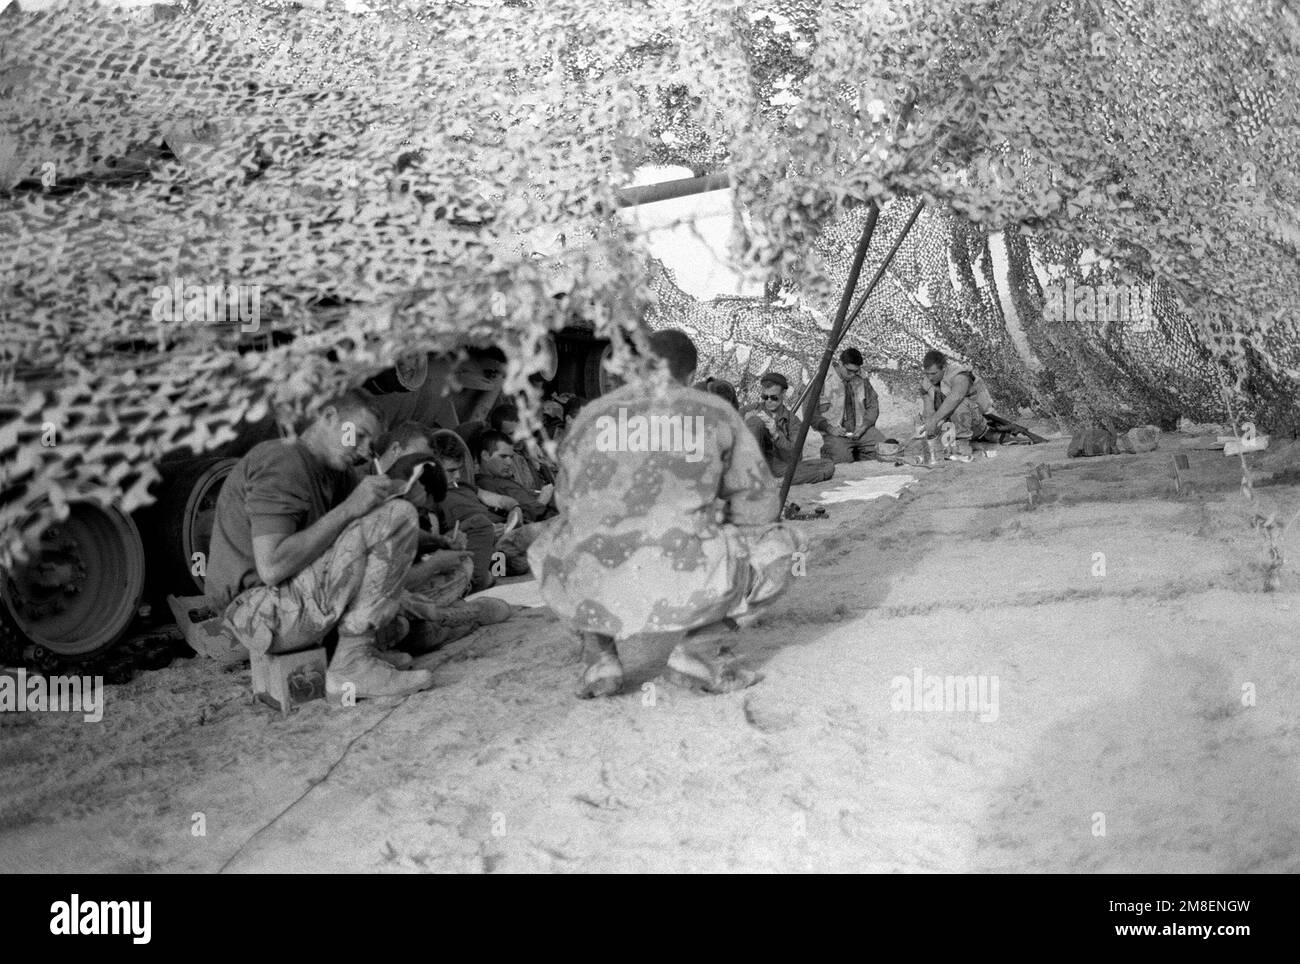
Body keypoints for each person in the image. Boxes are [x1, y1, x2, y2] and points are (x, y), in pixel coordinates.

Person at [529, 329, 807, 698]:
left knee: (548, 542)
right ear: (691, 377)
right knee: (787, 546)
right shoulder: (714, 413)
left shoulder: (591, 415)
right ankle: (696, 653)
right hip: (681, 566)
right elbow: (760, 506)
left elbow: (566, 501)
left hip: (596, 573)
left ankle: (600, 658)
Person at [206, 391, 434, 700]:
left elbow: (371, 540)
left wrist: (427, 531)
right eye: (359, 435)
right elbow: (272, 566)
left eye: (371, 444)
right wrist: (352, 508)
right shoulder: (282, 459)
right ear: (328, 417)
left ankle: (353, 655)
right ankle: (352, 664)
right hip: (257, 611)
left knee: (400, 622)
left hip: (288, 601)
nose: (366, 451)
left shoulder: (336, 473)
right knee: (399, 516)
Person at [743, 371, 835, 485]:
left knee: (827, 466)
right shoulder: (751, 410)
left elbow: (794, 456)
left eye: (774, 397)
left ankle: (778, 482)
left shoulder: (793, 421)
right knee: (754, 421)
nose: (769, 401)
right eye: (765, 397)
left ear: (784, 394)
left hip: (778, 465)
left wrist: (776, 435)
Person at [812, 348, 886, 463]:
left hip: (861, 430)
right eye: (849, 371)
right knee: (842, 460)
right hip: (835, 433)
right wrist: (829, 428)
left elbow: (873, 405)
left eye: (856, 371)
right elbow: (810, 413)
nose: (852, 375)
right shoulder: (822, 379)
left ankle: (858, 453)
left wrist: (865, 425)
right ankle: (830, 452)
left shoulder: (862, 378)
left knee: (885, 450)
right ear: (840, 363)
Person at [474, 429, 557, 523]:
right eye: (503, 456)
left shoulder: (498, 480)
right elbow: (529, 516)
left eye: (511, 457)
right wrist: (542, 500)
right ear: (485, 456)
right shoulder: (489, 486)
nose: (509, 462)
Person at [918, 349, 996, 441]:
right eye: (927, 374)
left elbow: (956, 397)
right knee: (921, 420)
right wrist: (929, 425)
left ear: (944, 367)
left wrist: (934, 420)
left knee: (960, 405)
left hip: (980, 421)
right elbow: (929, 409)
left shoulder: (960, 376)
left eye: (933, 373)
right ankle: (944, 438)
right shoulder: (925, 382)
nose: (930, 377)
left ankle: (962, 443)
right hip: (951, 422)